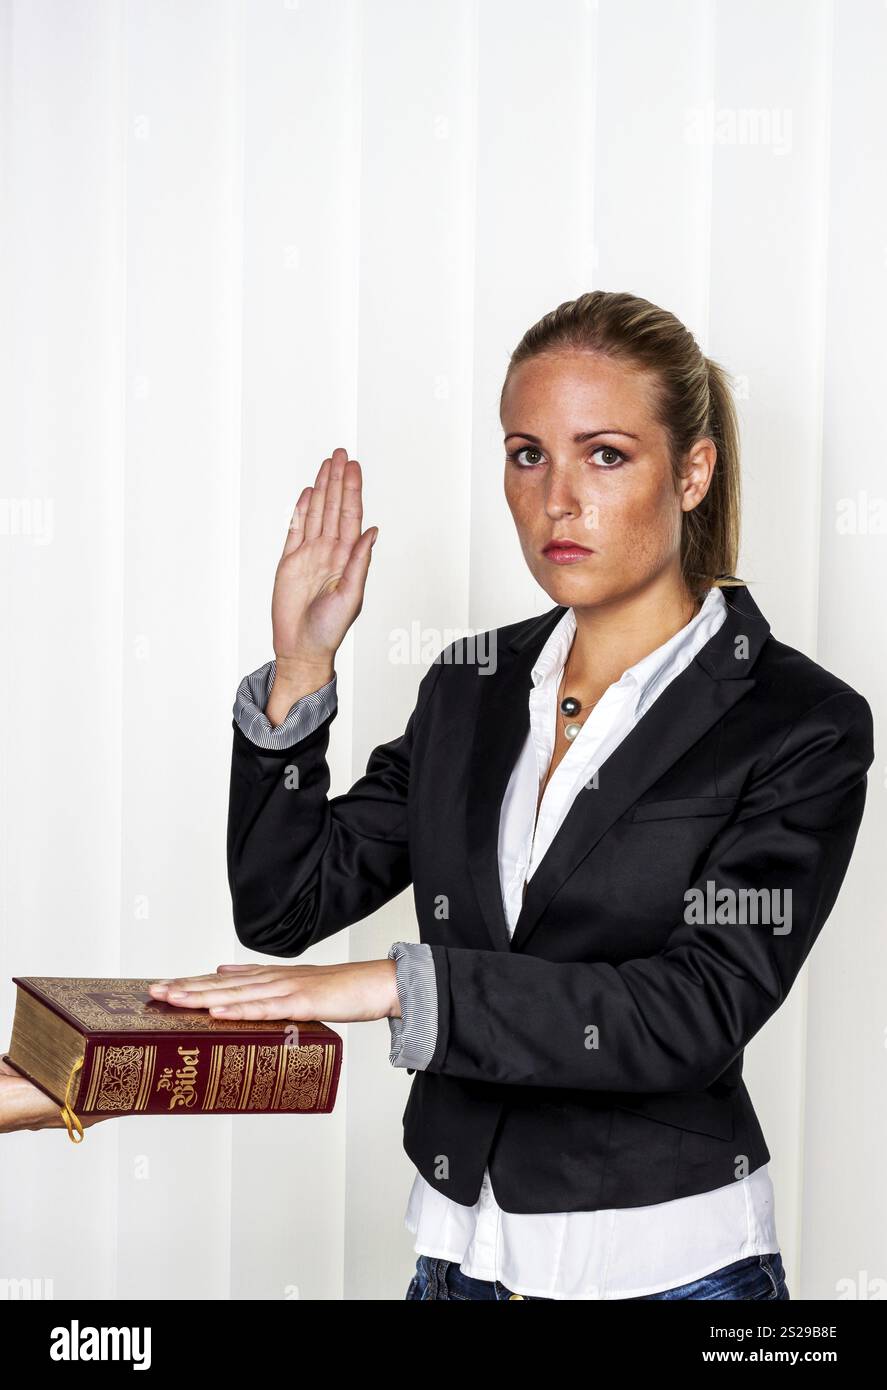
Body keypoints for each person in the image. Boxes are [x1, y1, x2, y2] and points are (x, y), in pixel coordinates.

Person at [4, 291, 872, 1303]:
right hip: (456, 1260)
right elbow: (287, 906)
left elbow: (691, 1010)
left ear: (690, 471)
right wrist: (298, 671)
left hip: (669, 1271)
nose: (556, 500)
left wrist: (396, 984)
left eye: (603, 455)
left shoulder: (797, 720)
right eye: (524, 453)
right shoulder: (469, 683)